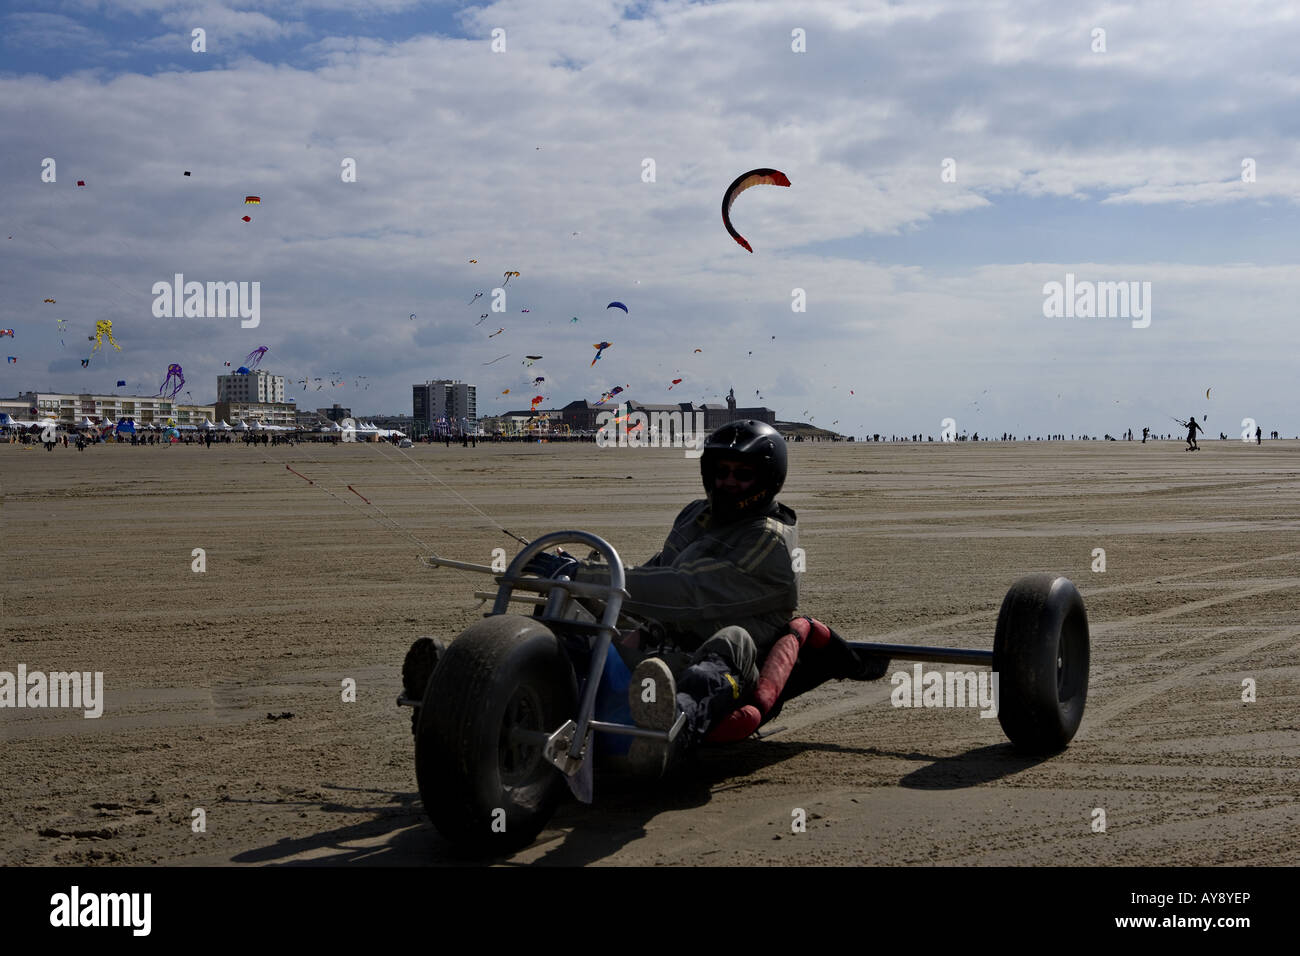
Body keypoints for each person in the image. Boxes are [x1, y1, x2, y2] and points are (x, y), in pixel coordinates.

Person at [534, 420, 883, 775]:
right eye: (722, 472)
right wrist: (576, 573)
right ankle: (526, 695)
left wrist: (589, 577)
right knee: (565, 601)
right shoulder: (695, 515)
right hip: (655, 643)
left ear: (767, 480)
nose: (728, 482)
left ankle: (669, 734)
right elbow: (656, 571)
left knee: (733, 639)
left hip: (724, 667)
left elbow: (688, 591)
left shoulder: (770, 542)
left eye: (742, 474)